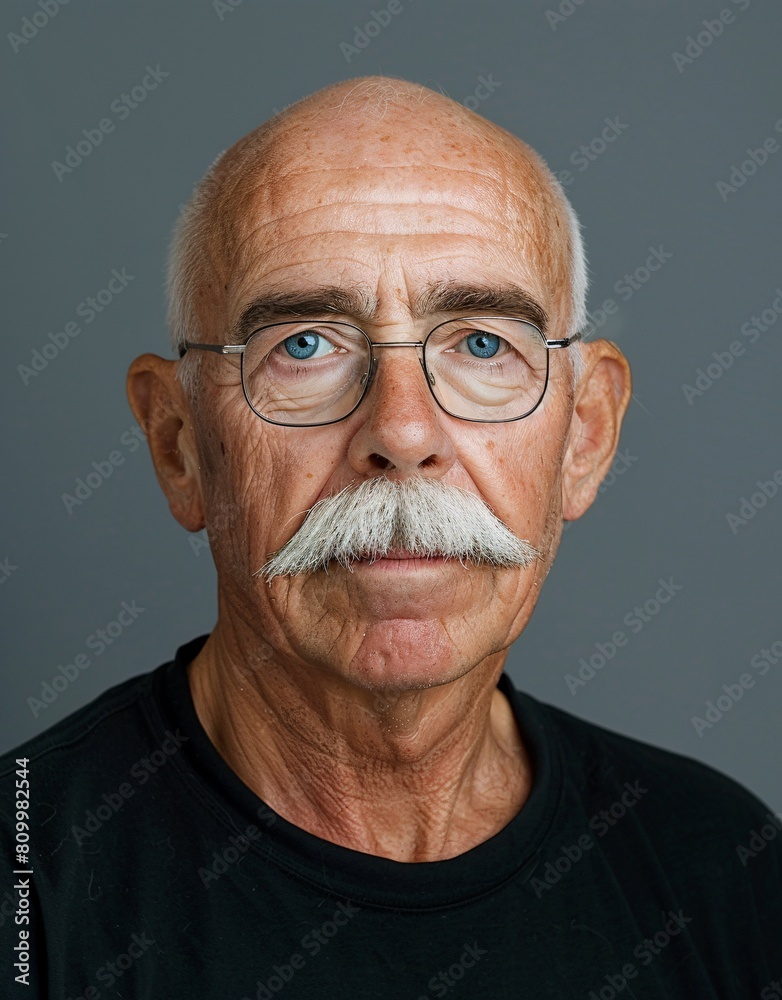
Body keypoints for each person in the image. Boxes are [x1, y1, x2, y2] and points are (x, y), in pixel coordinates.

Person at [1, 76, 779, 999]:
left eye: (483, 345)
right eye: (304, 346)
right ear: (180, 447)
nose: (403, 433)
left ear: (586, 436)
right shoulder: (28, 888)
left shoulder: (723, 867)